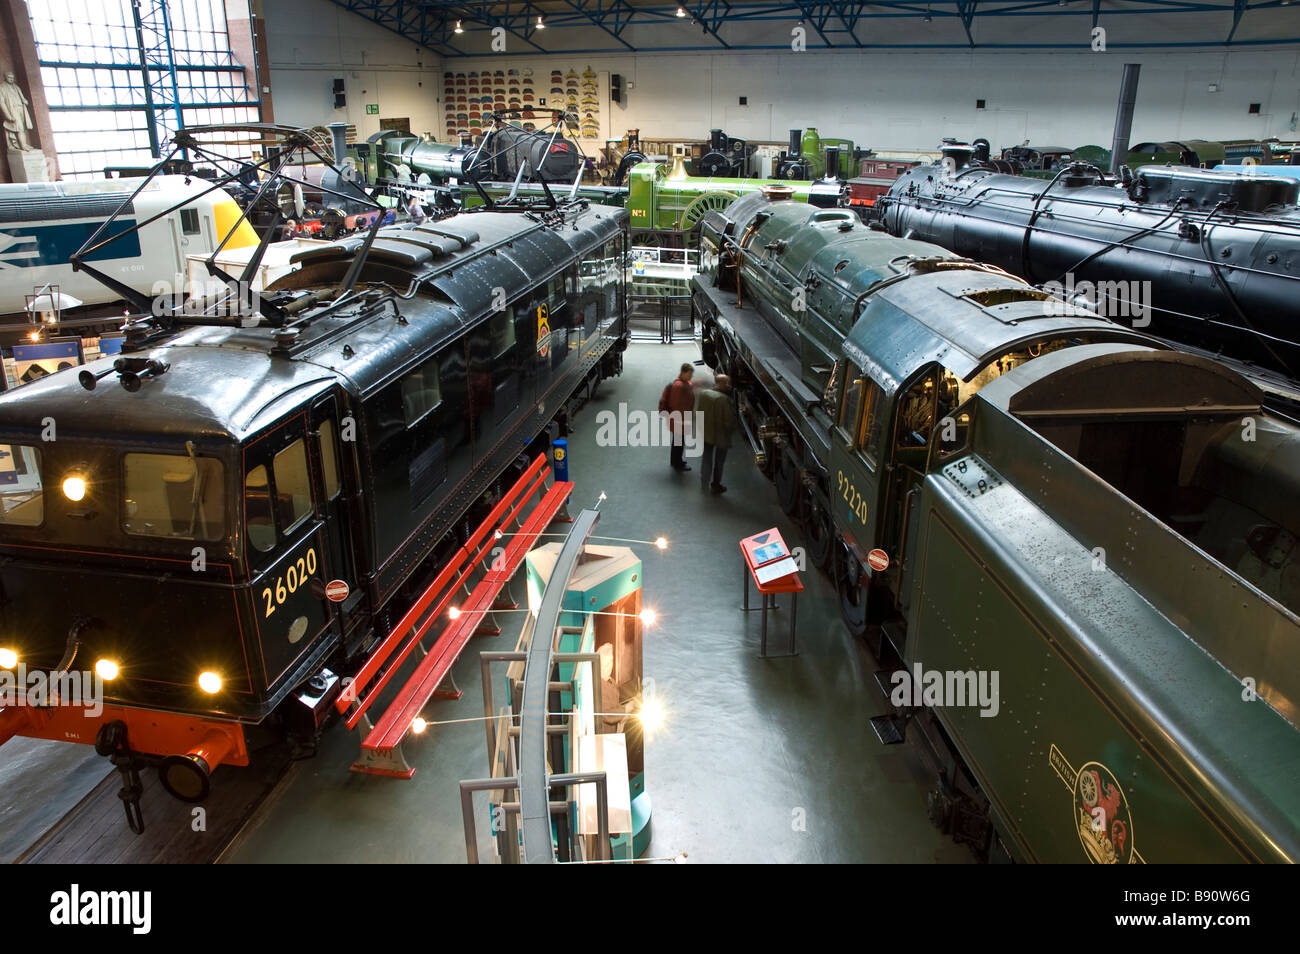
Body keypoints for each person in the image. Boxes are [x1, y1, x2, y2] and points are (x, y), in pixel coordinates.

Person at [695, 374, 735, 493]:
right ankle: (716, 484)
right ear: (720, 383)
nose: (729, 386)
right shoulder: (724, 400)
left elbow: (699, 412)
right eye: (727, 383)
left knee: (706, 457)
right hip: (721, 435)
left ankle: (704, 480)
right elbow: (729, 422)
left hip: (707, 432)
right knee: (719, 461)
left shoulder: (704, 394)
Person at [659, 362, 695, 471]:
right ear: (683, 373)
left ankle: (676, 460)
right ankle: (677, 463)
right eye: (689, 374)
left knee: (678, 441)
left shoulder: (683, 383)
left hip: (680, 418)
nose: (691, 376)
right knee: (678, 442)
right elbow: (676, 404)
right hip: (679, 419)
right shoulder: (679, 386)